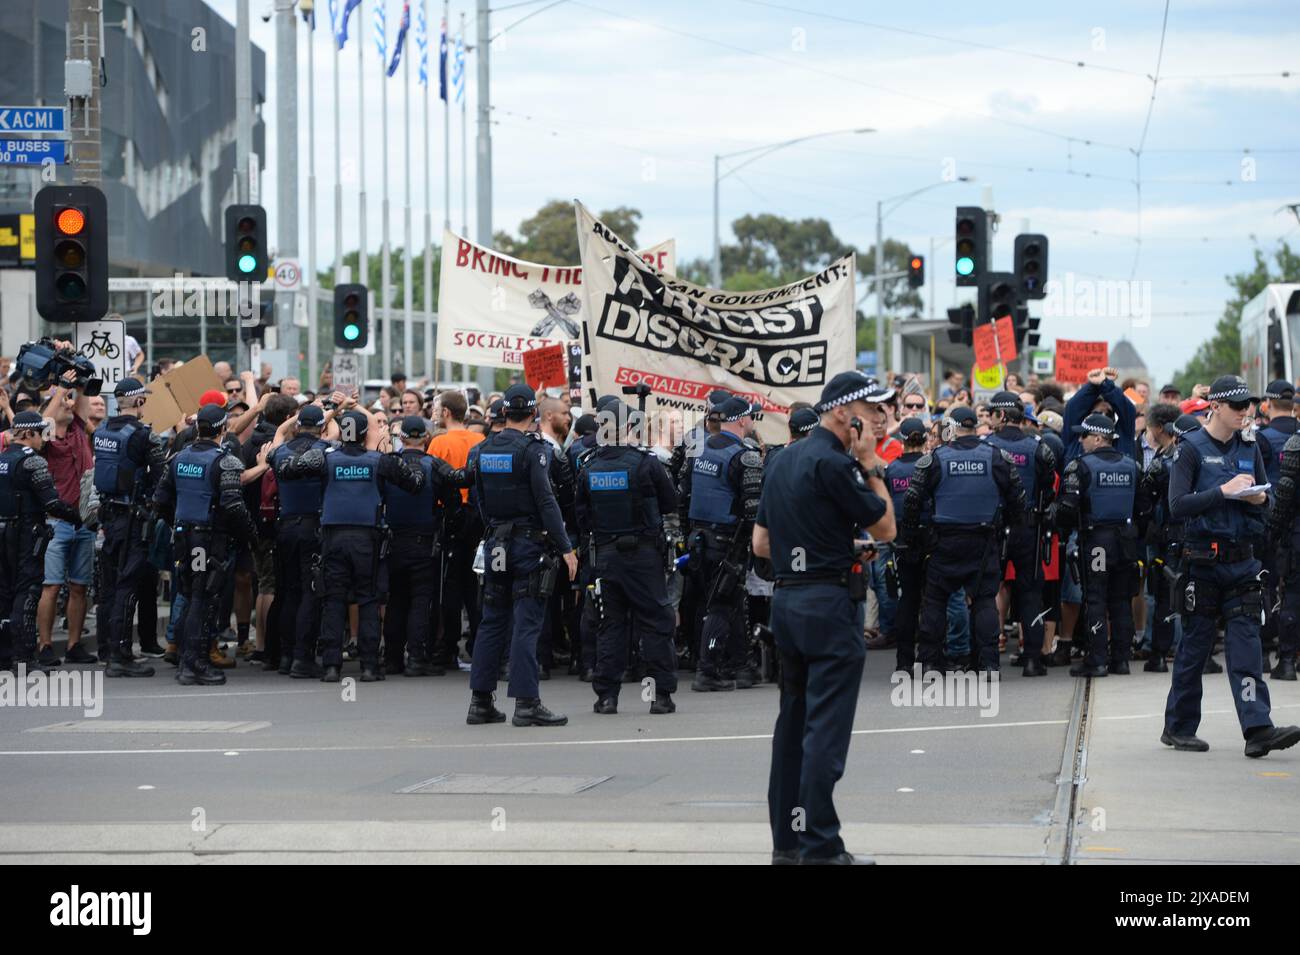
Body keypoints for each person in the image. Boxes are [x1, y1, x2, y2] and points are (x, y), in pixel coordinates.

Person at [755, 370, 896, 865]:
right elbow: (886, 525)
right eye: (873, 408)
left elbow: (762, 544)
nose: (881, 417)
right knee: (825, 735)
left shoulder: (784, 458)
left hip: (789, 604)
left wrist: (832, 547)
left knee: (792, 728)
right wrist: (870, 463)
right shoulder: (839, 464)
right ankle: (821, 846)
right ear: (843, 412)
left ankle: (787, 844)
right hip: (830, 609)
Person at [1165, 375, 1300, 757]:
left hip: (1242, 562)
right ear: (1217, 407)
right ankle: (1178, 726)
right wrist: (1222, 492)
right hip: (1202, 563)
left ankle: (1258, 728)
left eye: (1249, 406)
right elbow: (1177, 505)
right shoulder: (1190, 448)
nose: (1246, 412)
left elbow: (1266, 497)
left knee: (1246, 649)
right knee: (1194, 648)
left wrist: (1259, 502)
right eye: (1239, 406)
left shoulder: (1249, 446)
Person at [274, 409, 424, 682]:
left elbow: (286, 470)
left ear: (342, 432)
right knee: (367, 599)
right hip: (367, 539)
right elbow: (415, 483)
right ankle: (368, 666)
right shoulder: (379, 460)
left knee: (333, 600)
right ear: (365, 434)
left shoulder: (325, 458)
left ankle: (332, 666)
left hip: (333, 538)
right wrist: (390, 453)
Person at [462, 383, 577, 727]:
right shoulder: (533, 450)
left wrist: (494, 529)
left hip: (496, 542)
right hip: (527, 544)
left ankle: (480, 702)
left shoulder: (482, 450)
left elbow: (479, 498)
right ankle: (527, 703)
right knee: (527, 624)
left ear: (503, 412)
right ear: (532, 414)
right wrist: (566, 547)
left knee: (492, 621)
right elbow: (546, 500)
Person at [900, 405, 1026, 672]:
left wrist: (913, 535)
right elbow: (1018, 499)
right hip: (983, 539)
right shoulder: (996, 457)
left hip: (944, 540)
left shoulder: (935, 458)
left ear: (952, 427)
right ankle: (988, 666)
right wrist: (1010, 527)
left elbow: (912, 500)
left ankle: (930, 664)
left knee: (935, 602)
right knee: (983, 601)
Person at [576, 399, 679, 715]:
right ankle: (658, 696)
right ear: (625, 427)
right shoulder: (646, 463)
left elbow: (581, 518)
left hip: (606, 556)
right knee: (654, 624)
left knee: (611, 626)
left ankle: (607, 697)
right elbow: (670, 503)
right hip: (643, 556)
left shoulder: (588, 465)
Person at [153, 404, 256, 686]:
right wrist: (250, 535)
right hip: (207, 540)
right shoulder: (225, 461)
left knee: (190, 595)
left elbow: (160, 501)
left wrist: (178, 523)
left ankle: (189, 659)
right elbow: (234, 506)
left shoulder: (178, 458)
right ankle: (193, 663)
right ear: (223, 429)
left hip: (185, 537)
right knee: (202, 597)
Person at [681, 396, 765, 691]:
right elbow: (754, 509)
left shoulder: (699, 449)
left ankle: (741, 666)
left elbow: (684, 494)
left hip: (698, 539)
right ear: (742, 420)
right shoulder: (746, 456)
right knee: (722, 602)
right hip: (728, 541)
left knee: (727, 600)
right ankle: (707, 670)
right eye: (751, 417)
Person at [1052, 414, 1145, 676]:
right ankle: (1121, 659)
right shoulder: (1132, 465)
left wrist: (1064, 528)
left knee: (1095, 597)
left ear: (1097, 437)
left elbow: (1067, 509)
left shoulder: (1080, 466)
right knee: (1121, 599)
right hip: (1125, 541)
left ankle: (1097, 660)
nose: (1080, 441)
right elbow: (1144, 505)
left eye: (1083, 436)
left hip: (1097, 542)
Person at [92, 378, 169, 677]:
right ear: (138, 402)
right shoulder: (142, 434)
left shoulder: (101, 431)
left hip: (107, 515)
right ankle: (121, 655)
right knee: (127, 584)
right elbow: (161, 477)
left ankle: (107, 649)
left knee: (108, 586)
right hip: (132, 516)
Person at [0, 412, 83, 671]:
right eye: (40, 434)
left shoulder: (1, 459)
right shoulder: (32, 462)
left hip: (3, 532)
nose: (43, 440)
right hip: (25, 535)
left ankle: (5, 655)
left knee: (4, 595)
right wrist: (77, 517)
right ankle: (24, 657)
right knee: (27, 593)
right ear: (28, 434)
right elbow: (51, 502)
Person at [986, 391, 1059, 677]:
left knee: (988, 593)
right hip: (1028, 527)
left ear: (1002, 416)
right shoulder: (1038, 447)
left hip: (994, 527)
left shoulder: (986, 447)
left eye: (993, 413)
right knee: (1030, 594)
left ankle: (988, 661)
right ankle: (1032, 660)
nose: (990, 419)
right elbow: (1048, 489)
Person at [383, 415, 462, 676]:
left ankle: (392, 658)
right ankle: (417, 658)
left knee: (396, 599)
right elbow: (453, 504)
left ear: (402, 437)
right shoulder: (435, 466)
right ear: (426, 438)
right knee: (421, 599)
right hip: (424, 542)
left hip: (393, 541)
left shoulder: (389, 464)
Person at [269, 402, 335, 678]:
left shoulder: (279, 452)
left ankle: (286, 656)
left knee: (289, 591)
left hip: (284, 527)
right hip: (312, 527)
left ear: (297, 425)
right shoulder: (327, 454)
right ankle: (302, 657)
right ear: (321, 427)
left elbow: (275, 446)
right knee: (311, 592)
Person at [36, 367, 95, 667]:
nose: (71, 405)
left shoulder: (78, 430)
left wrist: (79, 382)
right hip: (55, 522)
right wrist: (60, 389)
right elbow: (45, 417)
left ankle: (73, 644)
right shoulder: (46, 438)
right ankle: (45, 644)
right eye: (65, 403)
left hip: (83, 521)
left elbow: (82, 400)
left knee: (79, 586)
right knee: (51, 585)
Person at [426, 389, 485, 669]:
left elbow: (431, 482)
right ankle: (479, 645)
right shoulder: (480, 440)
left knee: (449, 586)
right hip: (477, 519)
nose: (433, 414)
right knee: (474, 586)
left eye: (437, 409)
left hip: (449, 518)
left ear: (447, 412)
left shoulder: (439, 443)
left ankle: (447, 647)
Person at [1140, 405, 1193, 674]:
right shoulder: (1198, 459)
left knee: (1164, 595)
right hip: (1192, 536)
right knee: (1190, 595)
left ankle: (1159, 654)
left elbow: (1144, 501)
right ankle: (1190, 654)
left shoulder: (1162, 464)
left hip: (1167, 537)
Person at [885, 417, 929, 671]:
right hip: (930, 537)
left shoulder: (892, 469)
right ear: (924, 439)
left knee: (908, 600)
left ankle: (904, 663)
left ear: (902, 441)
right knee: (932, 600)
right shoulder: (931, 465)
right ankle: (930, 658)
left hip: (902, 539)